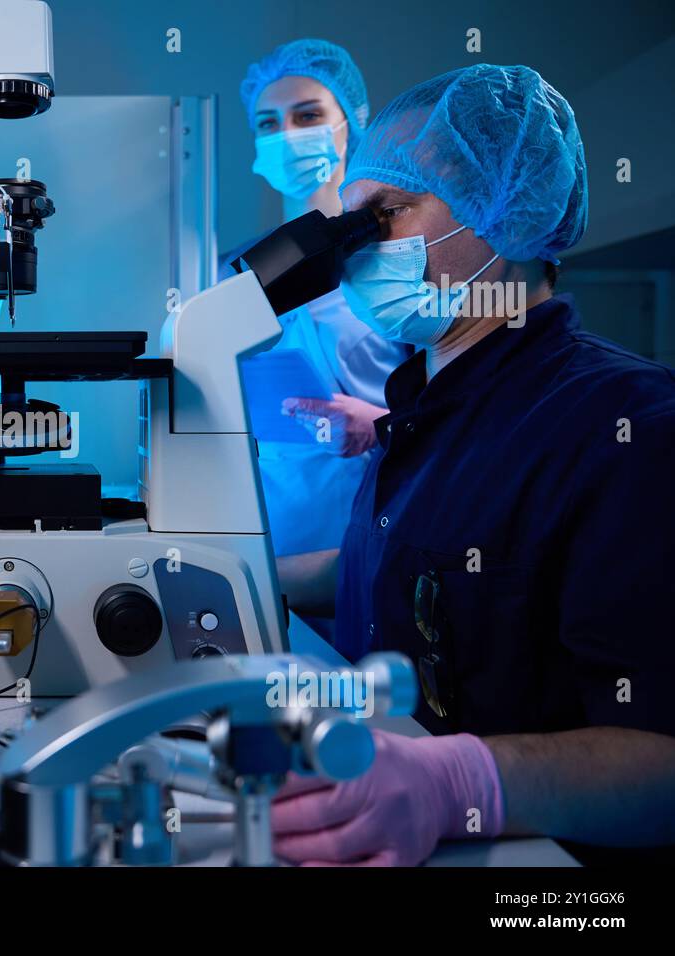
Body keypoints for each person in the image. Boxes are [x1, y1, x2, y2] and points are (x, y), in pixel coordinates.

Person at [273, 64, 675, 866]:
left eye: (386, 215)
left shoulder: (624, 424)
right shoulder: (427, 403)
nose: (357, 253)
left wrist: (459, 780)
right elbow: (399, 563)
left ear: (505, 216)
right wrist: (252, 576)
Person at [228, 39, 408, 559]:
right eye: (268, 123)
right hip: (268, 529)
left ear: (351, 121)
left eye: (307, 116)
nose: (286, 135)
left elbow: (454, 410)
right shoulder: (232, 271)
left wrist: (380, 424)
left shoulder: (399, 266)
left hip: (373, 525)